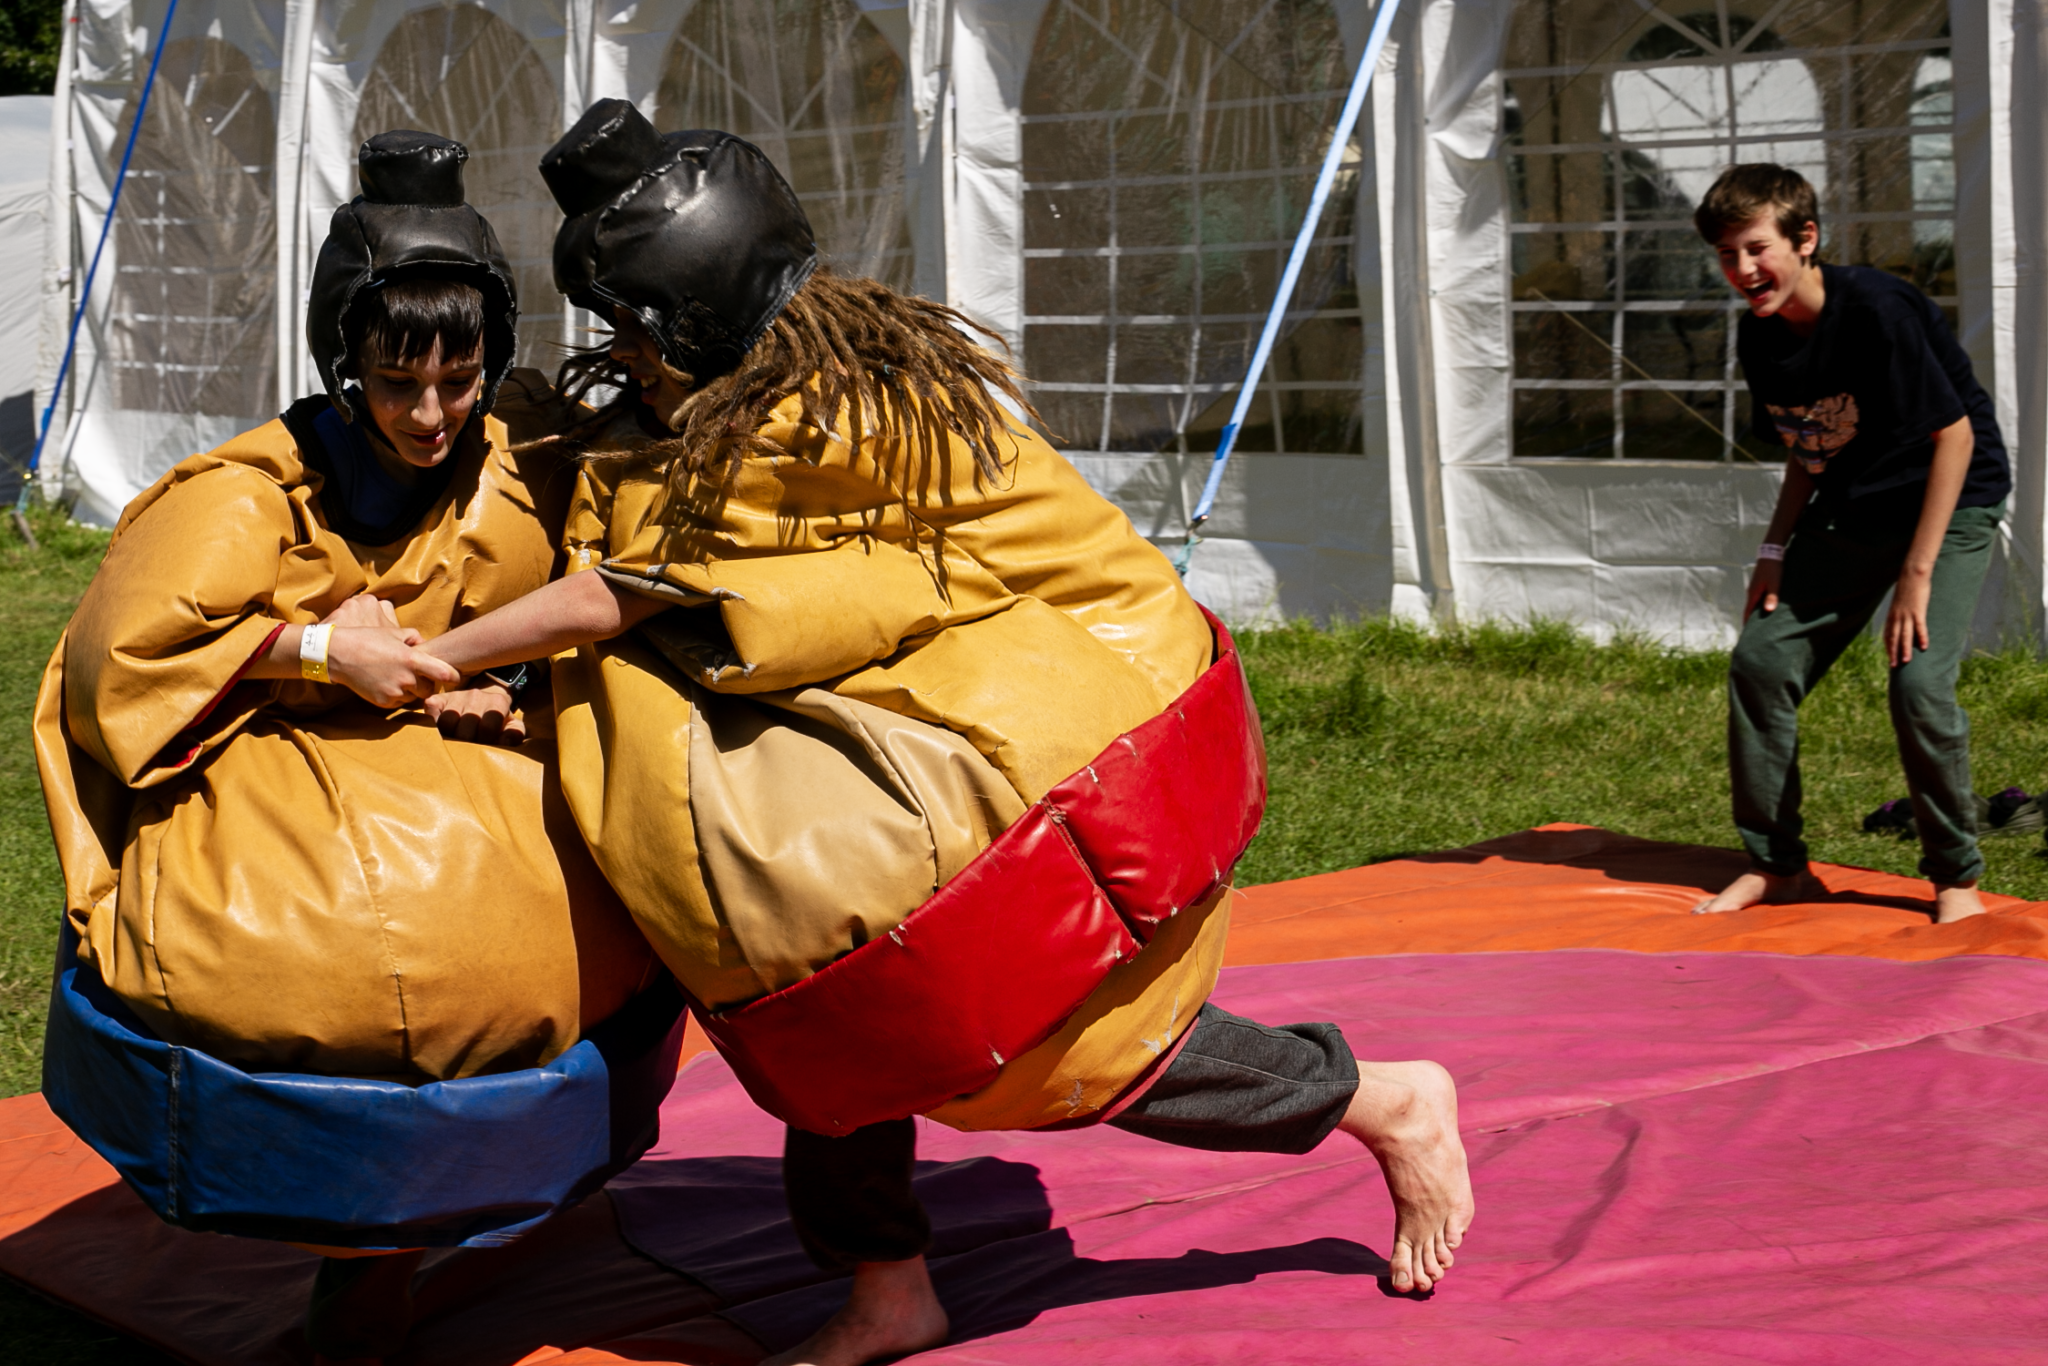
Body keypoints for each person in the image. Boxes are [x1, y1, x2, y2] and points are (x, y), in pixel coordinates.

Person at [419, 101, 1473, 1366]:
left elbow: (654, 585)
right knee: (814, 974)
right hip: (895, 726)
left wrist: (433, 651)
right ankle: (888, 1287)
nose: (626, 360)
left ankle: (1379, 1098)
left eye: (638, 332)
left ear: (698, 309)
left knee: (1051, 1038)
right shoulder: (764, 385)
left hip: (1044, 722)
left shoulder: (823, 422)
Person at [34, 130, 658, 1361]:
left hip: (472, 785)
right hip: (291, 799)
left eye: (461, 378)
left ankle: (422, 1237)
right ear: (342, 364)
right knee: (352, 971)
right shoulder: (248, 497)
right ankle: (361, 1291)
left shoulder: (515, 455)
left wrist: (486, 681)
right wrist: (319, 651)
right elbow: (122, 662)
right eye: (396, 385)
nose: (431, 415)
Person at [1689, 164, 2012, 923]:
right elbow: (1810, 447)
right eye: (1727, 255)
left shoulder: (1878, 310)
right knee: (1762, 662)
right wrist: (1773, 552)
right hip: (1853, 505)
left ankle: (1955, 878)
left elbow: (1954, 435)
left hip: (1950, 498)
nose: (1742, 271)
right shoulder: (1759, 334)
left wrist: (1917, 574)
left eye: (1756, 249)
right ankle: (1777, 867)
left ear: (1807, 239)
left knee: (1919, 685)